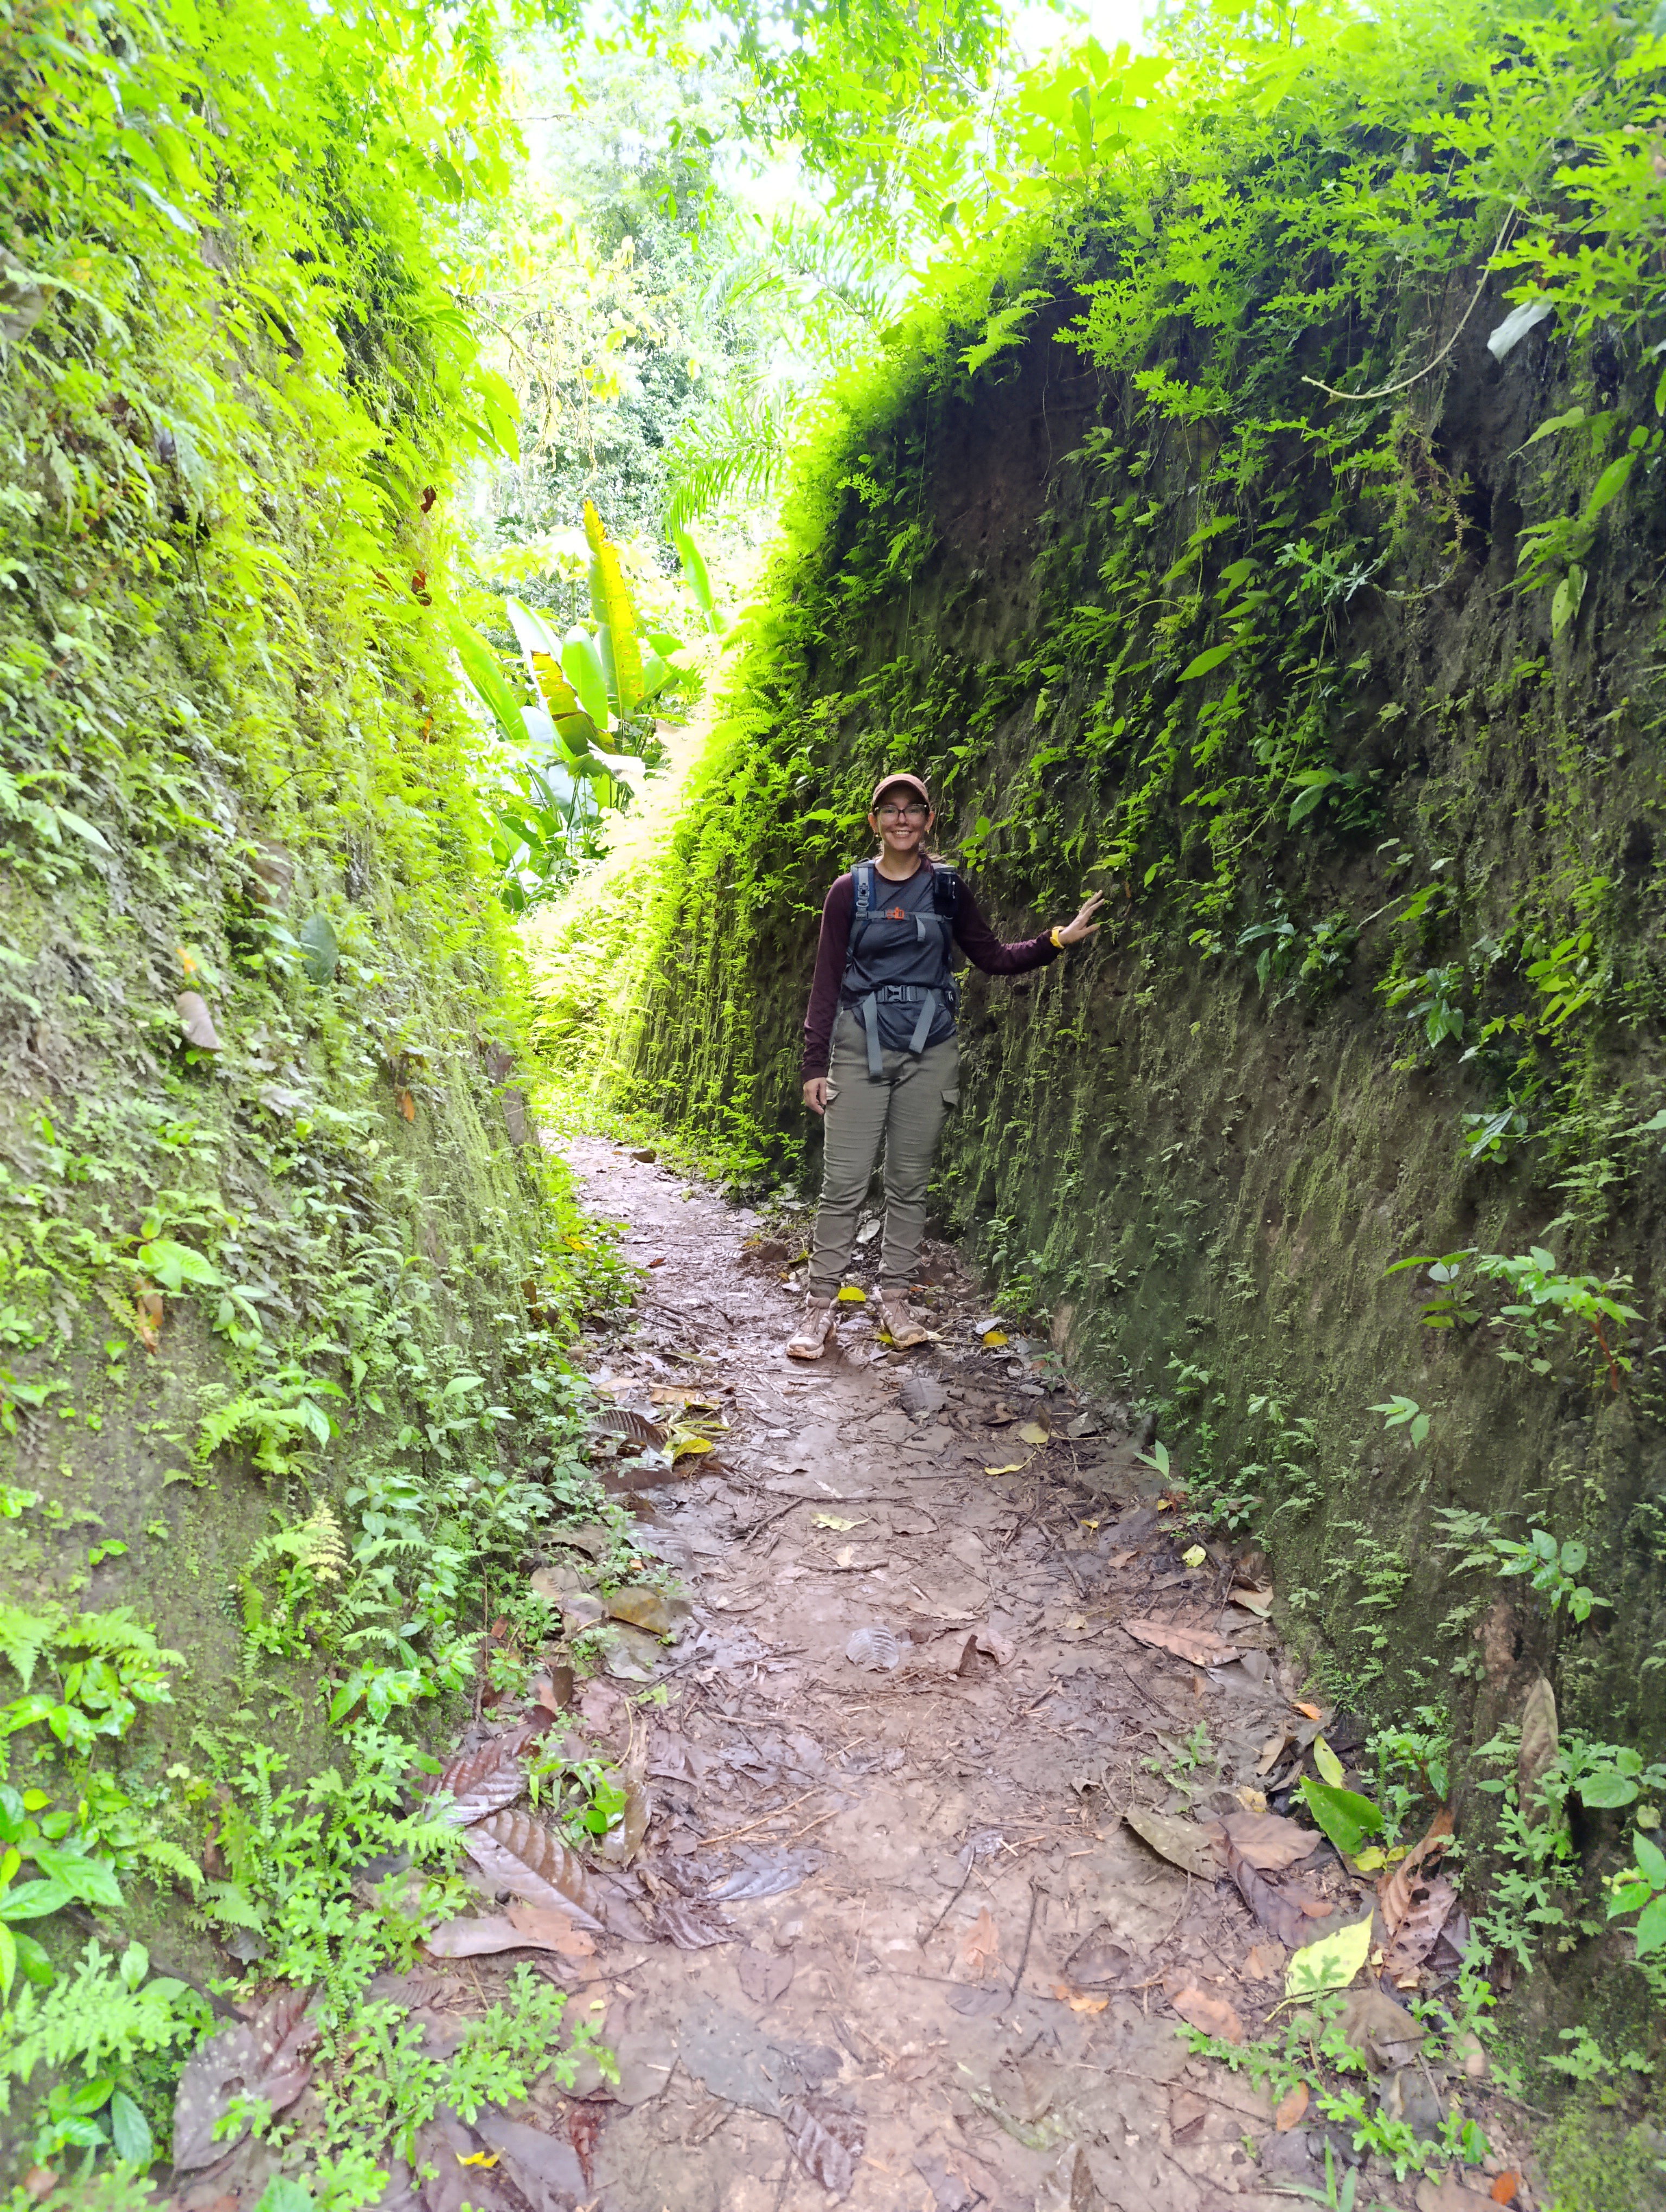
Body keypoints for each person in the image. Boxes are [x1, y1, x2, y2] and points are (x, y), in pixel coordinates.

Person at [786, 771, 1104, 1359]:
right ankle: (818, 1309)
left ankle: (895, 1300)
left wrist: (1057, 939)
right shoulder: (847, 892)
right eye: (890, 810)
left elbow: (991, 956)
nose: (902, 819)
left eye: (913, 809)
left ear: (930, 820)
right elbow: (826, 982)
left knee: (909, 1182)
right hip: (859, 1048)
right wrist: (814, 1064)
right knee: (844, 1182)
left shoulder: (949, 890)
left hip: (930, 1049)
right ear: (874, 821)